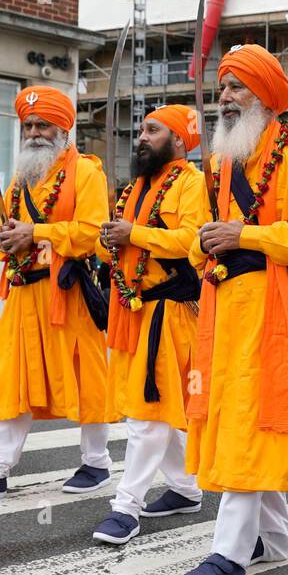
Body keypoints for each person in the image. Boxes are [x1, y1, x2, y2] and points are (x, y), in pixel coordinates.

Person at [177, 44, 288, 575]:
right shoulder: (219, 159)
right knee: (233, 418)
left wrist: (245, 235)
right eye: (222, 86)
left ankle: (229, 554)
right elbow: (200, 233)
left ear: (265, 96)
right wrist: (204, 243)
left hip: (270, 309)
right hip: (220, 310)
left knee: (249, 421)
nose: (224, 97)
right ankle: (271, 538)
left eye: (237, 87)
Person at [0, 86, 115, 499]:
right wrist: (5, 240)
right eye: (29, 125)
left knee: (85, 378)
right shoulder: (20, 176)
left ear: (63, 129)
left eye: (43, 125)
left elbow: (93, 235)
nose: (34, 132)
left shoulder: (87, 173)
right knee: (8, 380)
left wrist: (35, 232)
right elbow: (13, 234)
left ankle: (97, 463)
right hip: (23, 294)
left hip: (67, 295)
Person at [91, 105, 208, 545]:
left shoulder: (193, 182)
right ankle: (184, 489)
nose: (141, 136)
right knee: (158, 411)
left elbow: (193, 241)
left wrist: (132, 234)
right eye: (141, 128)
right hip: (131, 308)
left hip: (170, 313)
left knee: (148, 413)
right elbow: (119, 249)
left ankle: (126, 506)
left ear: (178, 140)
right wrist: (109, 242)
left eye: (152, 130)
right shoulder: (137, 186)